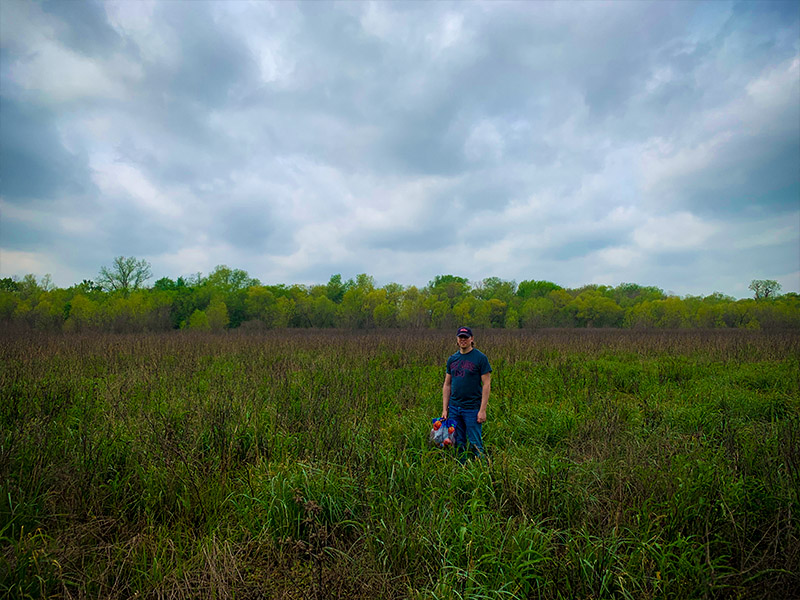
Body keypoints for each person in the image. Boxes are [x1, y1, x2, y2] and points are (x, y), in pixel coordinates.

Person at [441, 326, 491, 461]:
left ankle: (482, 471)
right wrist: (445, 409)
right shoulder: (452, 359)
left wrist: (482, 410)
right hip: (455, 408)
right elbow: (447, 385)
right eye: (460, 337)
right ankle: (461, 469)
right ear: (457, 340)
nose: (463, 340)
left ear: (472, 339)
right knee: (458, 442)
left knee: (475, 443)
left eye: (466, 337)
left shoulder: (480, 358)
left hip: (472, 408)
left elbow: (486, 384)